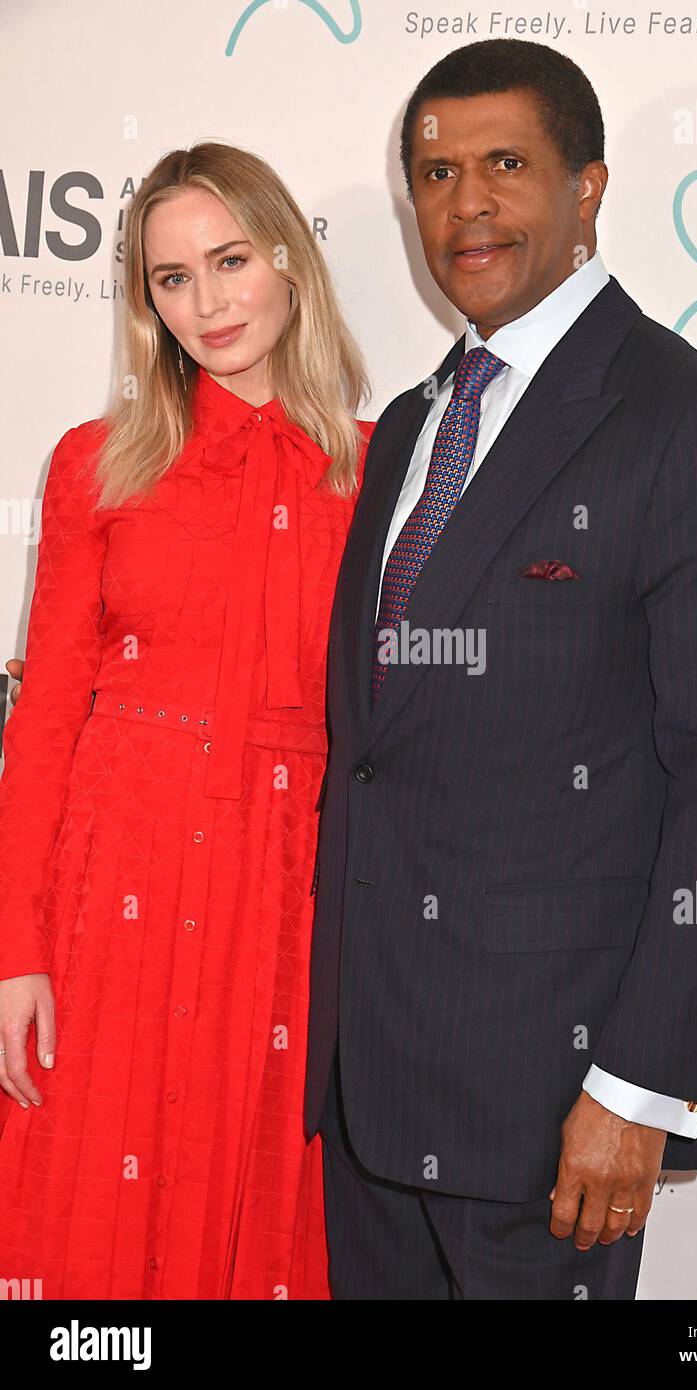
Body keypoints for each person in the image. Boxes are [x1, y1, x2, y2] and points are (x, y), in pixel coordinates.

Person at [302, 40, 697, 1299]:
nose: (463, 202)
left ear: (588, 187)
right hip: (369, 1101)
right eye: (433, 172)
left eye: (505, 165)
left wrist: (640, 1085)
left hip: (554, 1112)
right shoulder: (416, 426)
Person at [0, 140, 373, 1299]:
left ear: (289, 262)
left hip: (289, 900)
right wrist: (15, 950)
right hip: (113, 892)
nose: (205, 302)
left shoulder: (382, 472)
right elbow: (45, 719)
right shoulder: (97, 463)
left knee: (259, 1212)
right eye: (170, 278)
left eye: (228, 260)